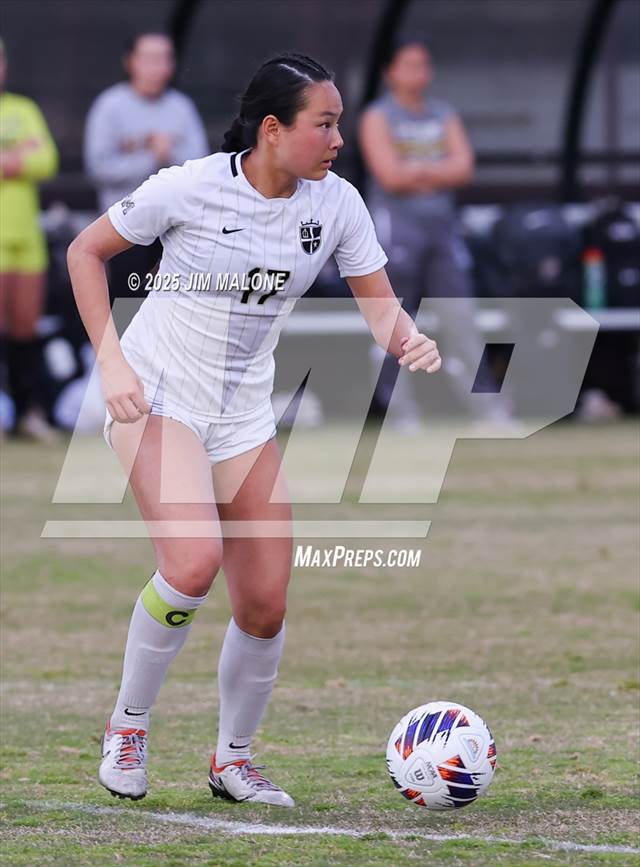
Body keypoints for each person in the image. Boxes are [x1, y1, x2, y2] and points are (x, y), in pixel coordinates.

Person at [67, 53, 442, 808]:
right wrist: (111, 364)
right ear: (273, 130)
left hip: (242, 413)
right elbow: (86, 252)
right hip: (158, 394)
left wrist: (406, 339)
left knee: (266, 602)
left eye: (339, 122)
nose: (338, 139)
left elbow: (378, 304)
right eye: (324, 124)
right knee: (194, 559)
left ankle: (232, 760)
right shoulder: (190, 186)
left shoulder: (335, 203)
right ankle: (129, 727)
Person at [360, 39, 505, 427]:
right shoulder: (378, 116)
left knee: (461, 321)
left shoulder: (443, 114)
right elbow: (389, 175)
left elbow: (463, 167)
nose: (418, 73)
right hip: (397, 233)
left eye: (424, 64)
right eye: (409, 64)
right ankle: (400, 414)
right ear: (390, 71)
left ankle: (488, 410)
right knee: (394, 321)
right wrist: (435, 171)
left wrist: (417, 172)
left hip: (443, 232)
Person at [84, 31, 208, 300]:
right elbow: (99, 167)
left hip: (176, 229)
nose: (157, 67)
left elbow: (201, 164)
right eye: (150, 58)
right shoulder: (110, 106)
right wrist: (149, 156)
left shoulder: (181, 107)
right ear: (130, 62)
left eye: (164, 59)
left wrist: (166, 153)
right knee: (128, 303)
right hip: (123, 228)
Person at [0, 38, 59, 441]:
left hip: (27, 239)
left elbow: (46, 161)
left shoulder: (23, 109)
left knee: (25, 328)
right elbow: (29, 157)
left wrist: (15, 160)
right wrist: (20, 155)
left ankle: (28, 413)